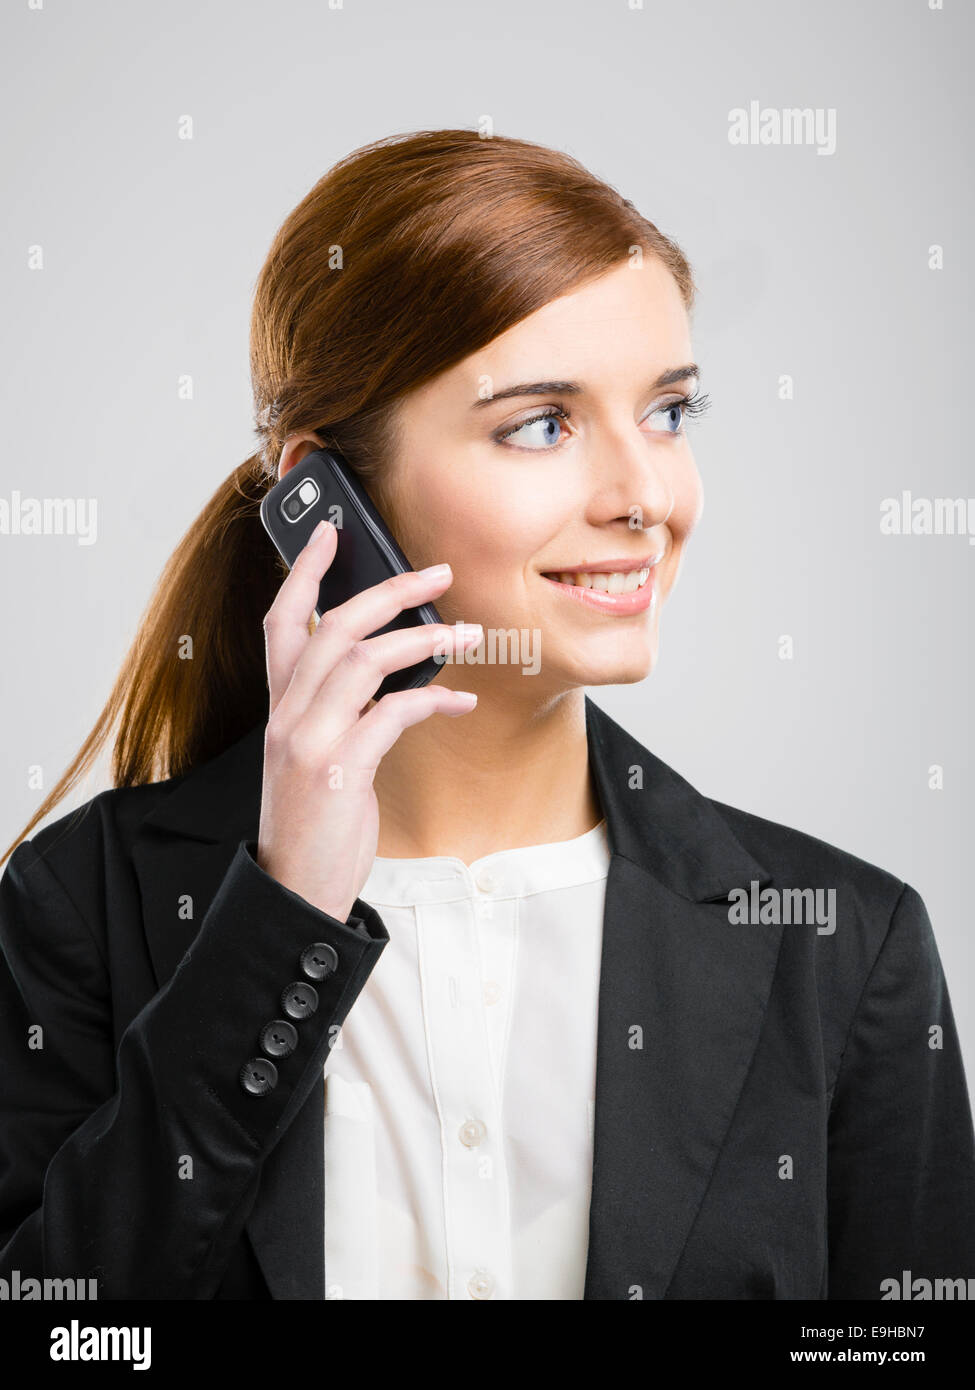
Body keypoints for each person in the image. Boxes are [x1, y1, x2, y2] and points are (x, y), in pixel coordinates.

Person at [1, 128, 973, 1301]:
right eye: (543, 425)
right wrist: (280, 921)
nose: (645, 497)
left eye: (668, 411)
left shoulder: (842, 947)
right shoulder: (79, 910)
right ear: (329, 498)